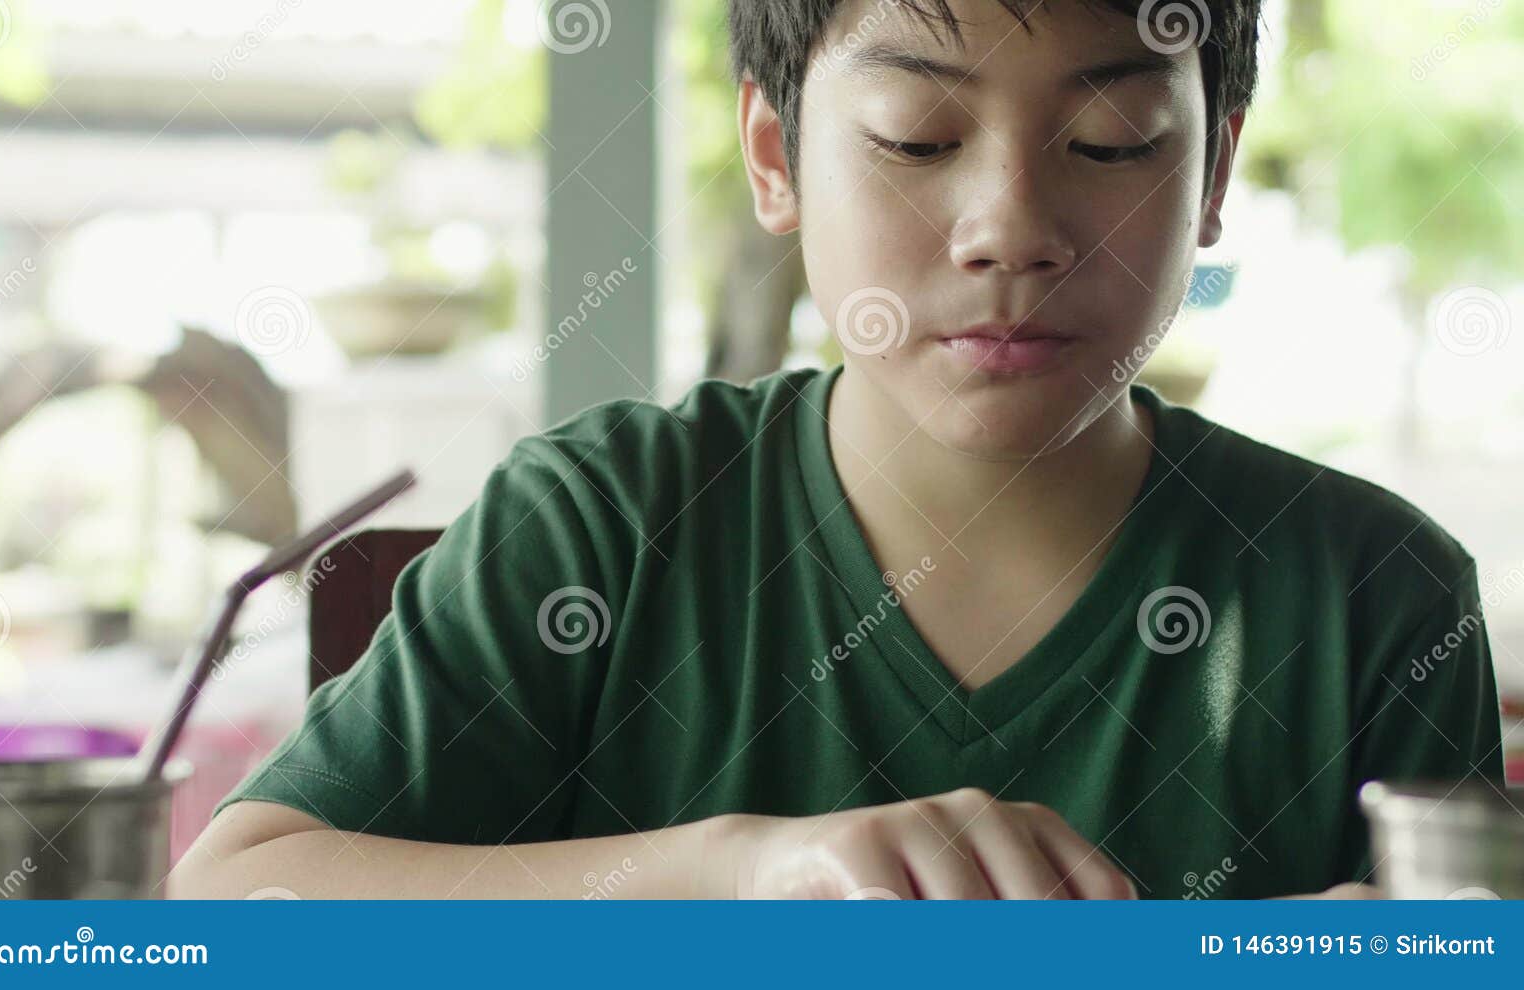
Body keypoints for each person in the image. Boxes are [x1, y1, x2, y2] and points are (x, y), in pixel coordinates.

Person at [171, 0, 1503, 900]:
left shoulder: (1369, 591)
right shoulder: (602, 528)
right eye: (918, 138)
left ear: (1212, 173)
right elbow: (237, 896)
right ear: (775, 159)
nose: (1008, 228)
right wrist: (741, 871)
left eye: (1112, 142)